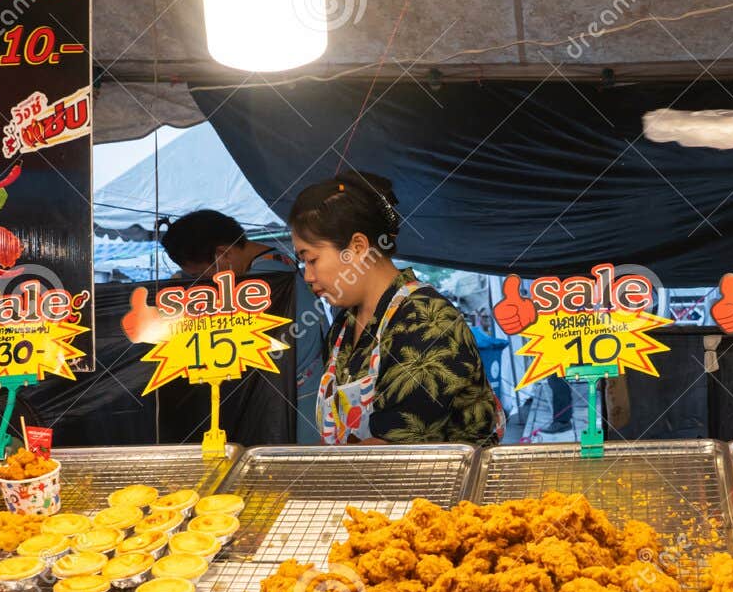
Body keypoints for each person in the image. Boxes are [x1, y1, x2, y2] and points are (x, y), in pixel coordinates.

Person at [290, 170, 501, 446]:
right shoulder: (345, 326)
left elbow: (389, 453)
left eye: (312, 259)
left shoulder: (427, 321)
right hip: (360, 484)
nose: (307, 276)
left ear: (357, 247)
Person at [155, 209, 322, 446]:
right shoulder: (276, 265)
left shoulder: (263, 283)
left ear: (223, 254)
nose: (203, 286)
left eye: (202, 276)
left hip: (299, 412)